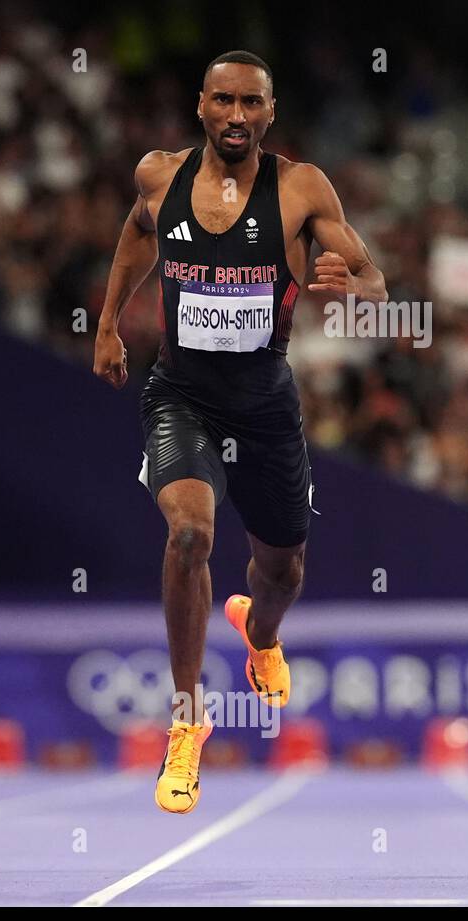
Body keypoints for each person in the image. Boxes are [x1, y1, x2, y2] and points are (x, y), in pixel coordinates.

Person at [92, 52, 387, 814]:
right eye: (222, 100)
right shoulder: (159, 176)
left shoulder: (300, 187)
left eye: (249, 103)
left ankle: (260, 634)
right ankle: (187, 721)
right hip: (181, 397)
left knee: (282, 571)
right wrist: (108, 326)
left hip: (264, 408)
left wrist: (360, 284)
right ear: (200, 105)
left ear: (269, 112)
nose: (234, 115)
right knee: (189, 533)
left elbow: (372, 273)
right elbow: (135, 233)